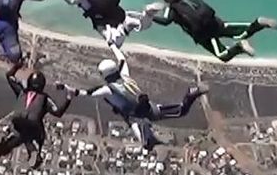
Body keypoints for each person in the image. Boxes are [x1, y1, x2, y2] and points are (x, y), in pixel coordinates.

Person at [64, 44, 206, 151]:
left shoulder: (108, 89)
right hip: (149, 107)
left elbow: (86, 93)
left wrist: (68, 89)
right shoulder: (124, 75)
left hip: (135, 117)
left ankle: (149, 137)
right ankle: (190, 95)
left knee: (145, 143)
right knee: (181, 110)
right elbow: (122, 59)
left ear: (104, 74)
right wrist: (112, 44)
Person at [144, 0, 277, 62]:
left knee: (223, 55)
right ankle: (258, 24)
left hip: (205, 36)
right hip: (215, 23)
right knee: (241, 31)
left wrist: (150, 15)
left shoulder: (172, 10)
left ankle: (239, 47)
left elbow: (165, 21)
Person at [0, 65, 73, 167]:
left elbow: (9, 76)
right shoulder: (44, 99)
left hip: (18, 123)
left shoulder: (22, 92)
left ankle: (5, 146)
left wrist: (17, 65)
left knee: (19, 135)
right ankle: (35, 152)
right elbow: (58, 112)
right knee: (32, 136)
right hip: (33, 126)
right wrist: (68, 97)